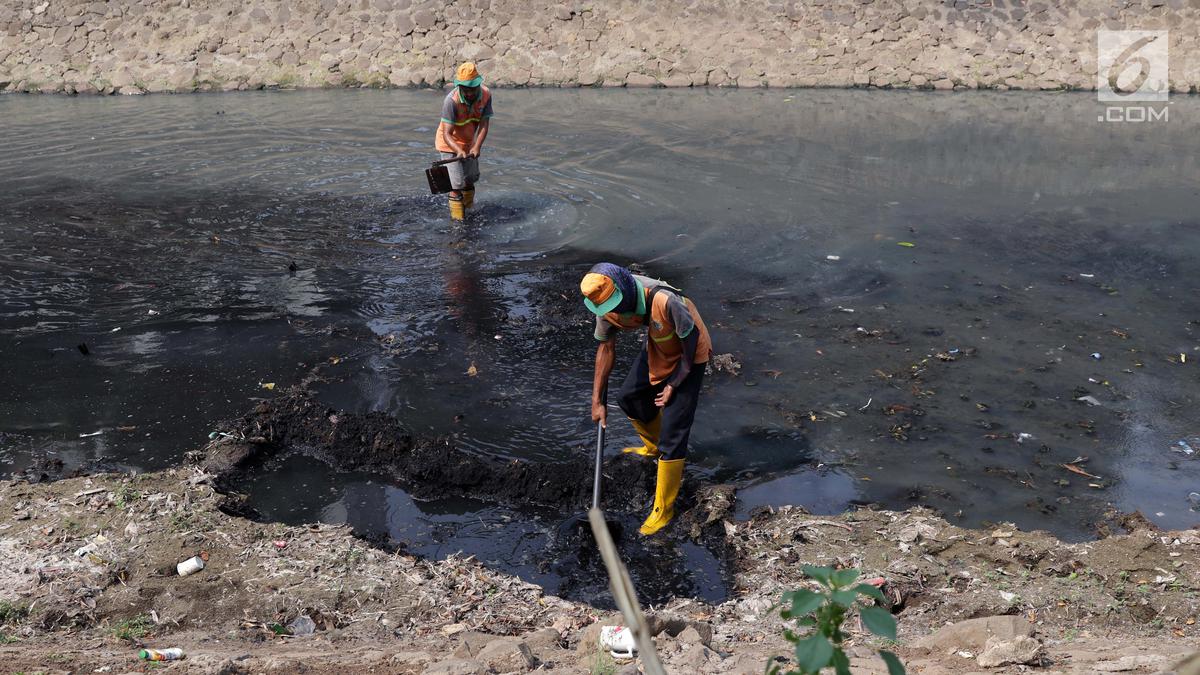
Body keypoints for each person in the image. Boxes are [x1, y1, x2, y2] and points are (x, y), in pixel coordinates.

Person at [580, 263, 712, 536]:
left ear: (625, 289)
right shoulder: (602, 303)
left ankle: (664, 510)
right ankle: (653, 448)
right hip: (660, 341)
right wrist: (597, 401)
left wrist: (675, 383)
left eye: (616, 305)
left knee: (674, 429)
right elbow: (605, 348)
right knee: (629, 398)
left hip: (689, 351)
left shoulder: (666, 300)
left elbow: (691, 340)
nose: (612, 312)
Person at [435, 61, 493, 221]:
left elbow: (484, 124)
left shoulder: (486, 95)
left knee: (469, 180)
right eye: (464, 89)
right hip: (449, 144)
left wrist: (477, 146)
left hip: (468, 143)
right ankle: (458, 223)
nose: (468, 93)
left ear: (478, 85)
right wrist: (458, 150)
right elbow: (447, 133)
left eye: (471, 89)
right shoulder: (451, 101)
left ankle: (469, 211)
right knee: (455, 185)